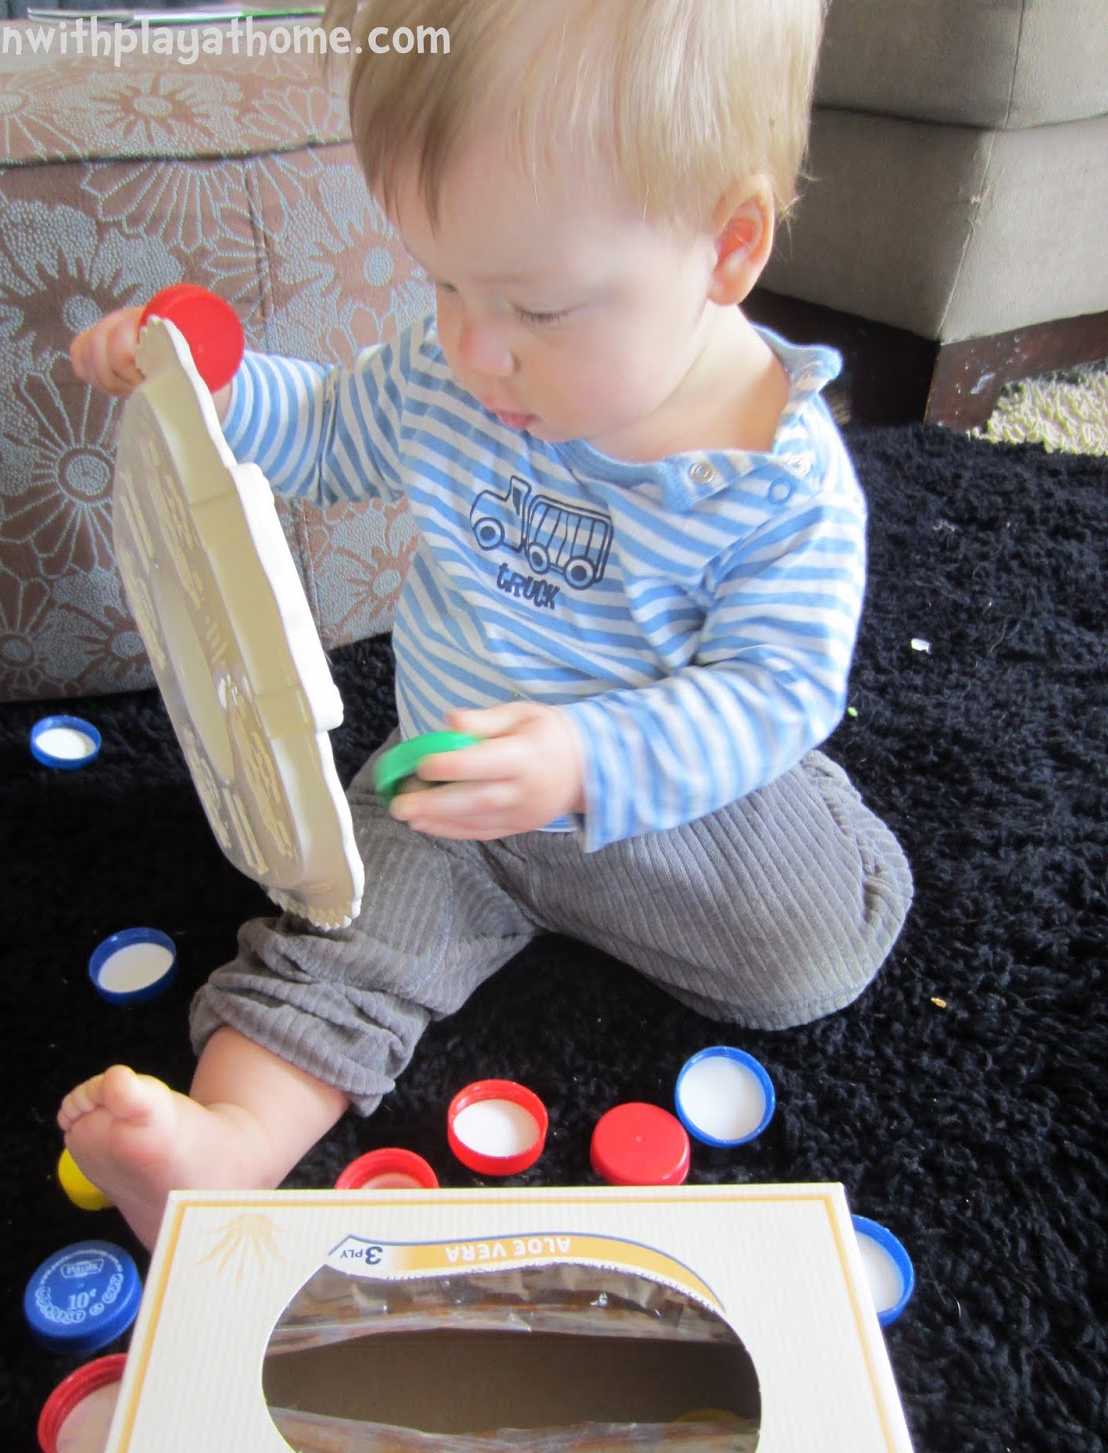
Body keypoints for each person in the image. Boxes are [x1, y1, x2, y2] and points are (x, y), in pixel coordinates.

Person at [60, 0, 912, 1250]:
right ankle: (225, 1150)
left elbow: (776, 688)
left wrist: (584, 763)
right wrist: (204, 386)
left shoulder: (779, 490)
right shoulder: (454, 369)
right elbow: (327, 431)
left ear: (726, 250)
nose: (473, 347)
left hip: (667, 799)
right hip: (446, 785)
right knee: (333, 940)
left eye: (540, 309)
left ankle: (808, 837)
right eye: (443, 281)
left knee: (810, 955)